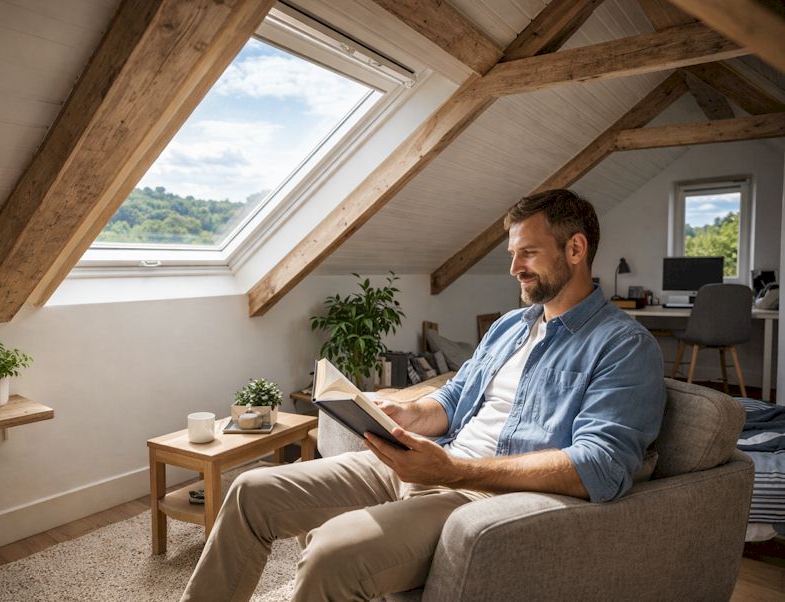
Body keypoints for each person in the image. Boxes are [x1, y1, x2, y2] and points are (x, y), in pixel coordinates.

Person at [179, 189, 665, 602]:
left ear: (575, 249)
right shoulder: (509, 327)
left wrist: (452, 470)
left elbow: (602, 466)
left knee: (331, 552)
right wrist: (407, 413)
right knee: (249, 492)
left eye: (529, 253)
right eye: (512, 254)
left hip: (476, 492)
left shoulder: (623, 345)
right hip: (425, 462)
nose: (514, 267)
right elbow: (454, 400)